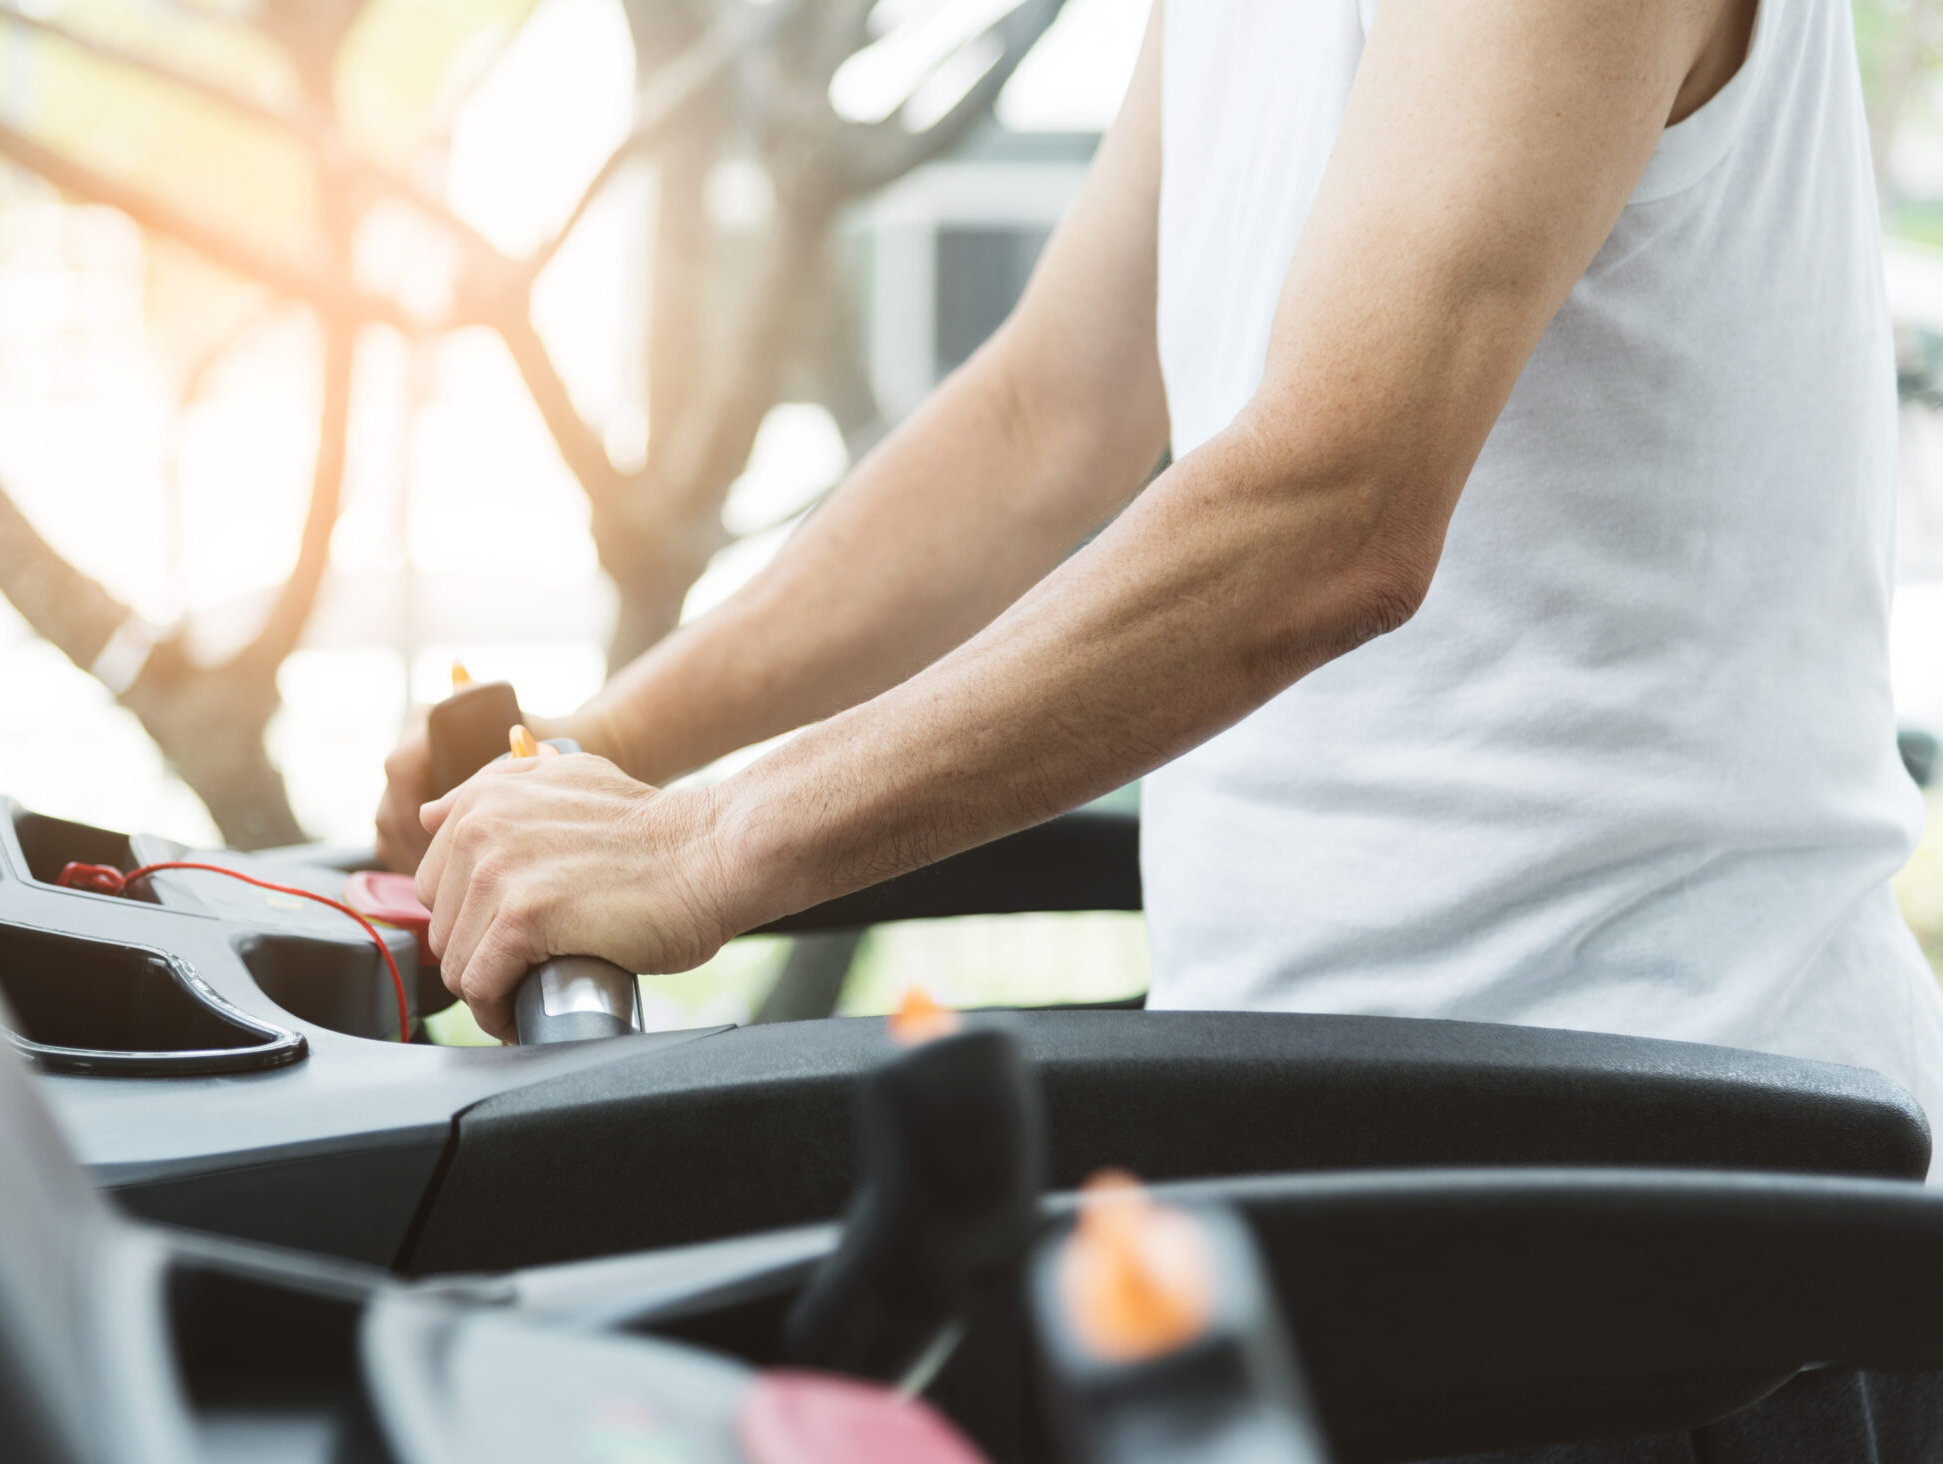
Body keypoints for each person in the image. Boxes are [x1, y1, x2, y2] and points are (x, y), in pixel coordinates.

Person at [376, 0, 1943, 1155]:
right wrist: (598, 754)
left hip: (1658, 1185)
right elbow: (1044, 422)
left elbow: (1337, 516)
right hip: (1329, 1145)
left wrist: (701, 845)